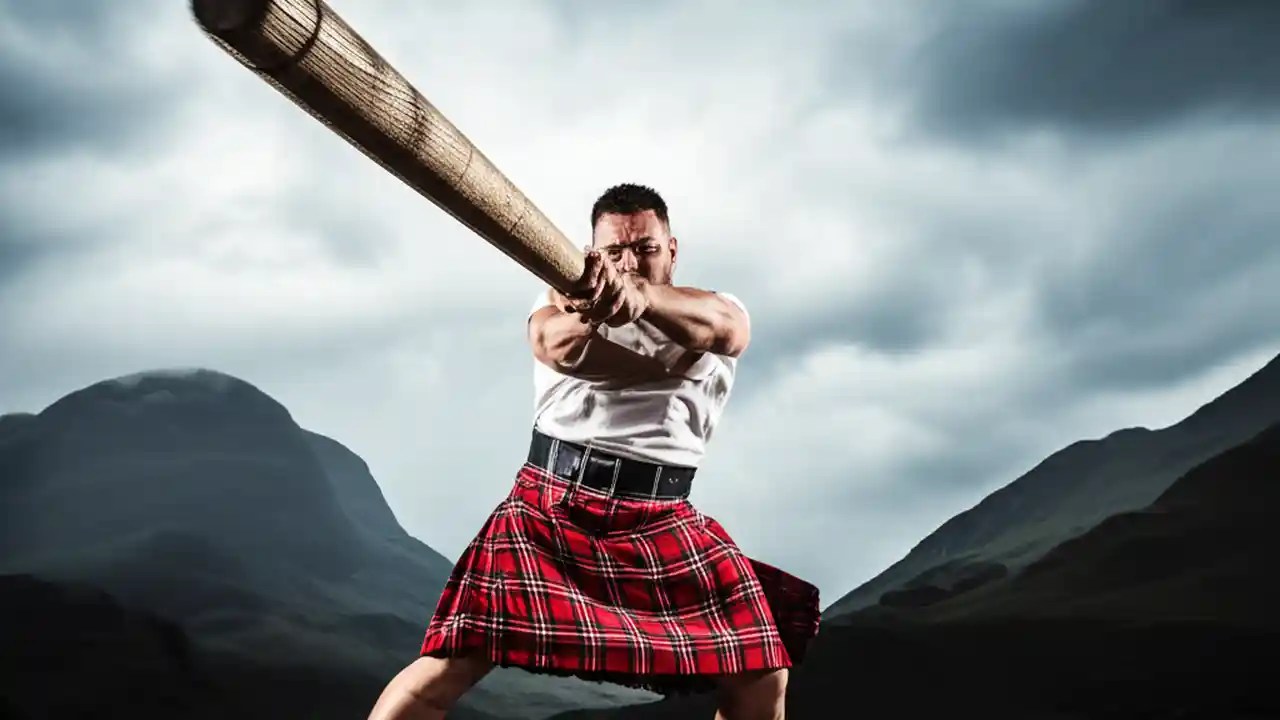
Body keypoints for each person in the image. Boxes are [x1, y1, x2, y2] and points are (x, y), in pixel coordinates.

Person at [368, 184, 819, 720]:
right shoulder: (555, 301)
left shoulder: (715, 308)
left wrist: (643, 300)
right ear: (593, 256)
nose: (630, 262)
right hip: (550, 504)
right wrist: (629, 333)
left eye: (646, 248)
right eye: (614, 253)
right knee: (450, 660)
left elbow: (730, 330)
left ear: (672, 249)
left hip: (660, 517)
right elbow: (555, 346)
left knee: (762, 668)